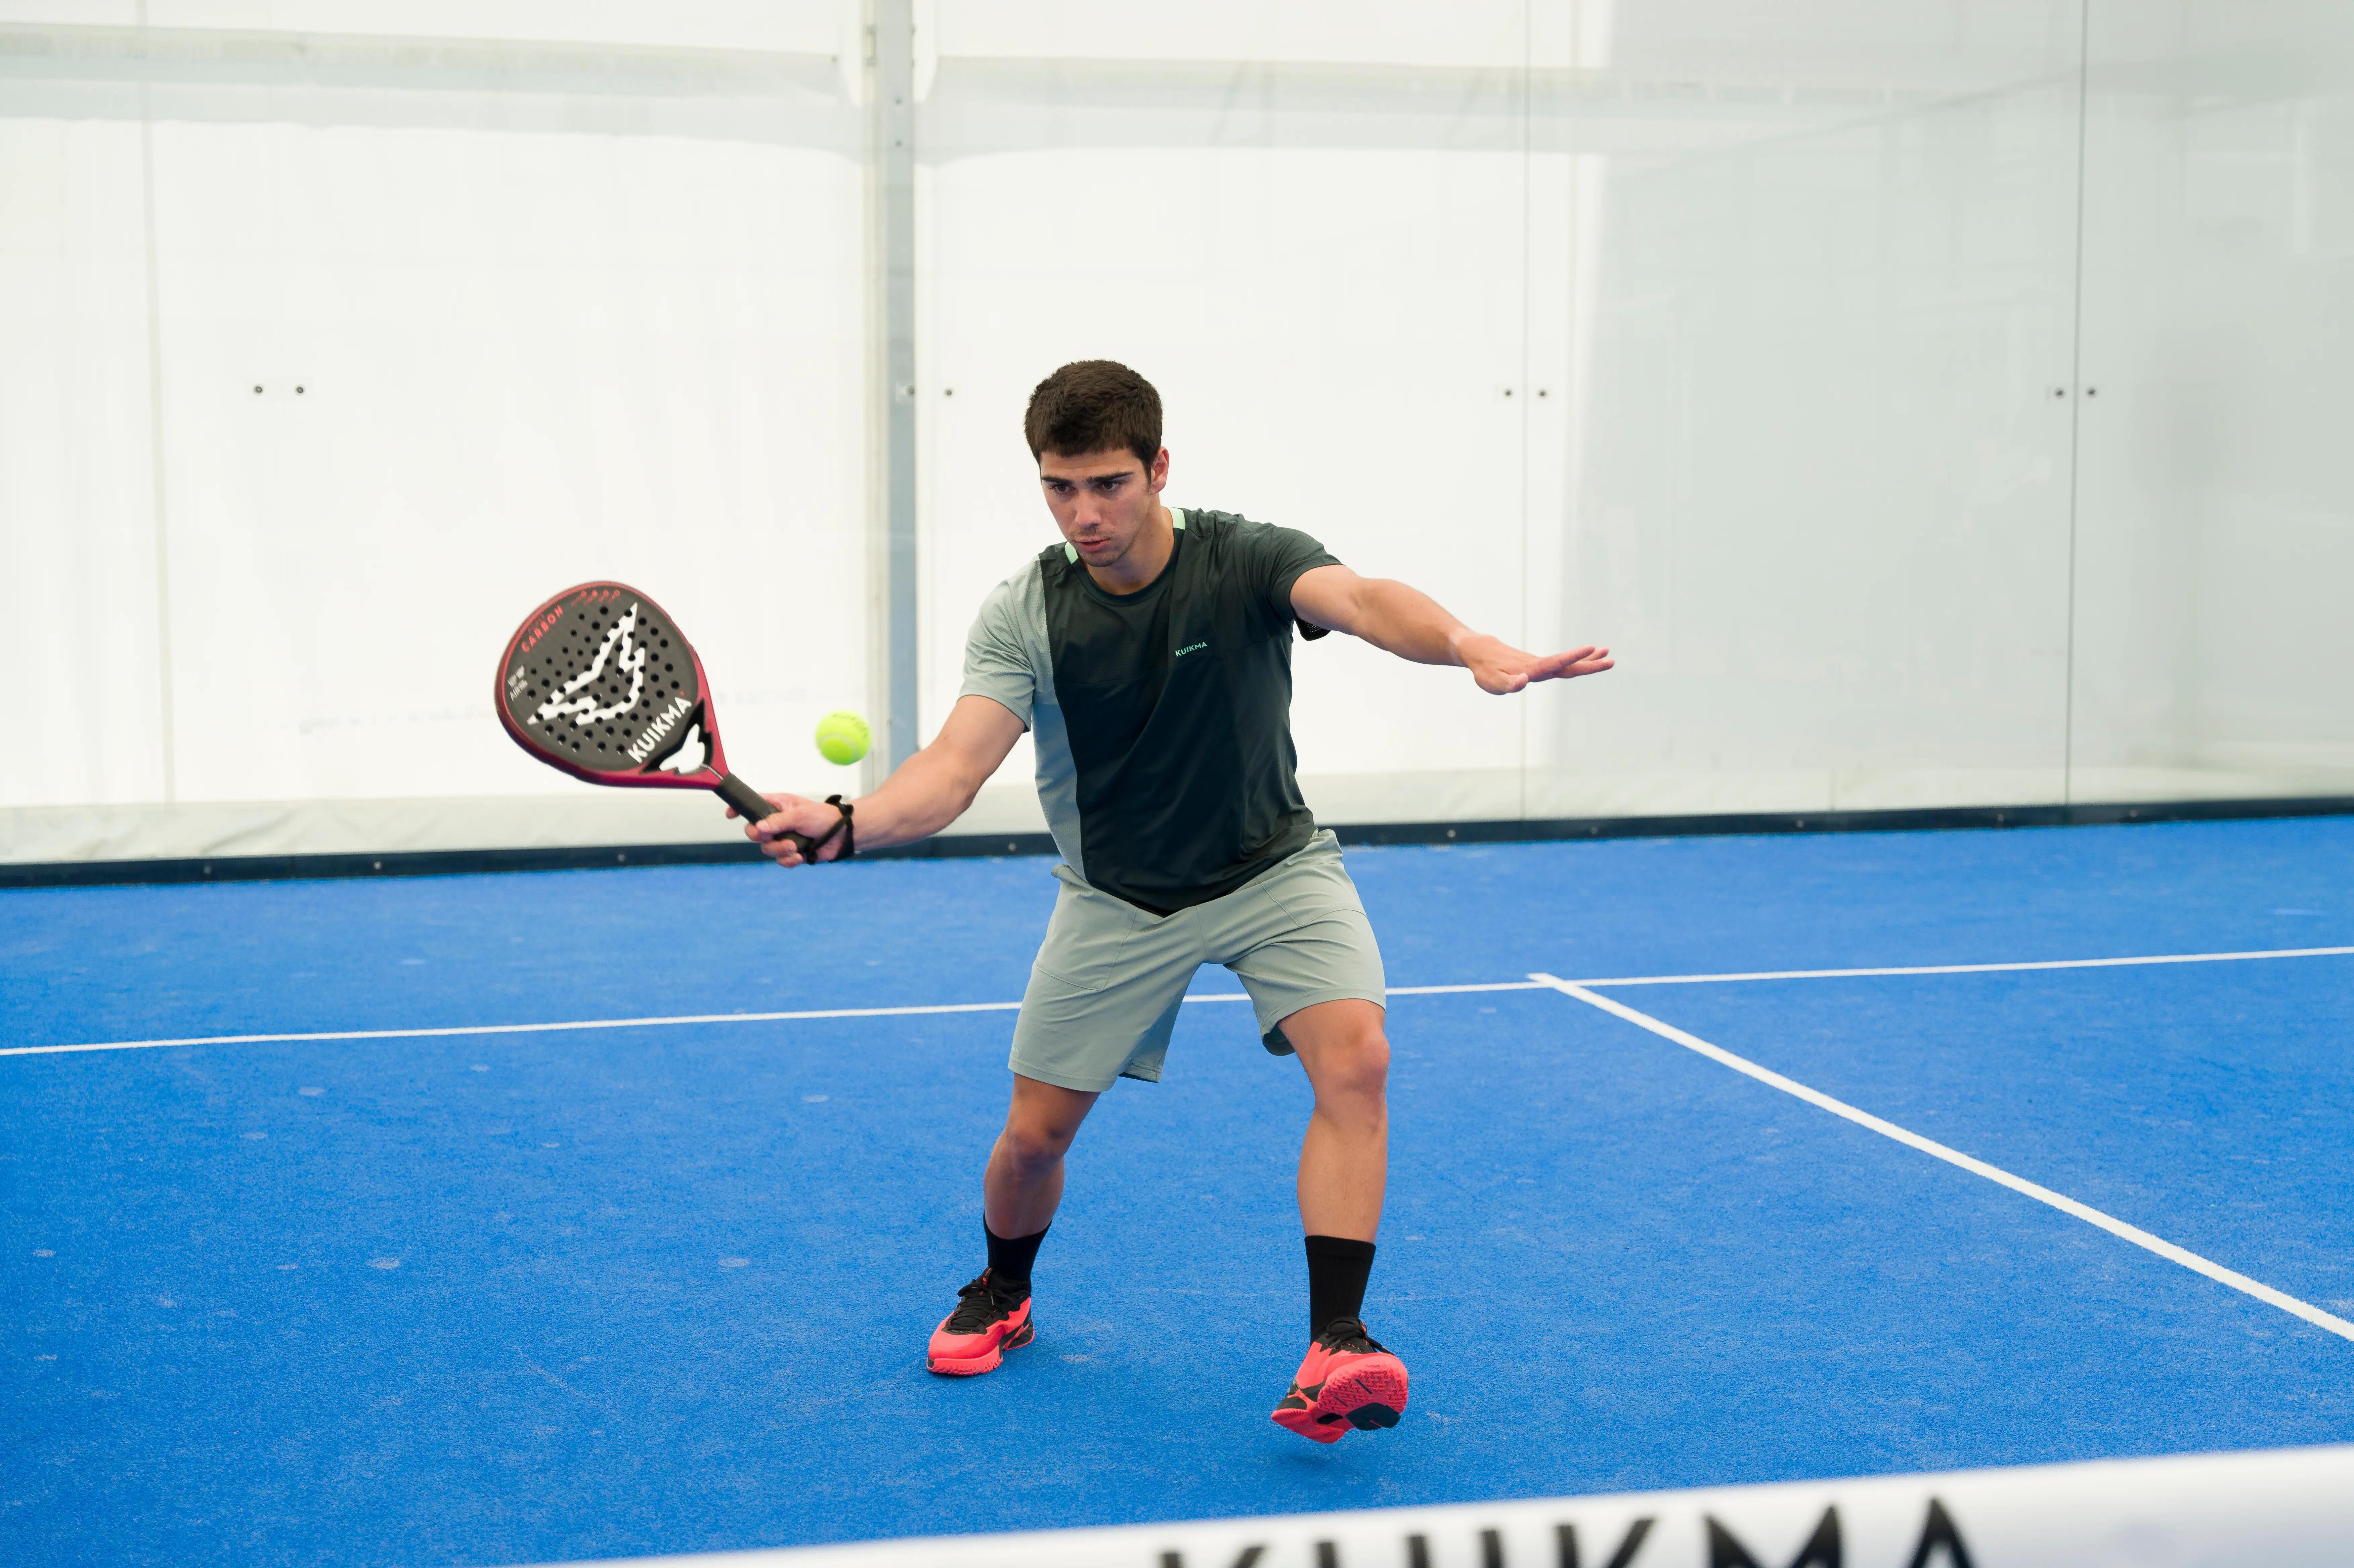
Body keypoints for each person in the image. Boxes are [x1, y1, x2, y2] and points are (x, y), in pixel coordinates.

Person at [736, 360, 1613, 1441]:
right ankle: (1004, 1288)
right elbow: (954, 769)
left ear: (1159, 468)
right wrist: (850, 821)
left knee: (1360, 1059)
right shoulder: (1027, 611)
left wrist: (1471, 646)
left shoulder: (1244, 557)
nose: (1084, 512)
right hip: (1118, 899)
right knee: (1034, 1140)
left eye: (1108, 483)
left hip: (1272, 868)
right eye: (1060, 488)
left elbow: (1365, 600)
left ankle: (1338, 1339)